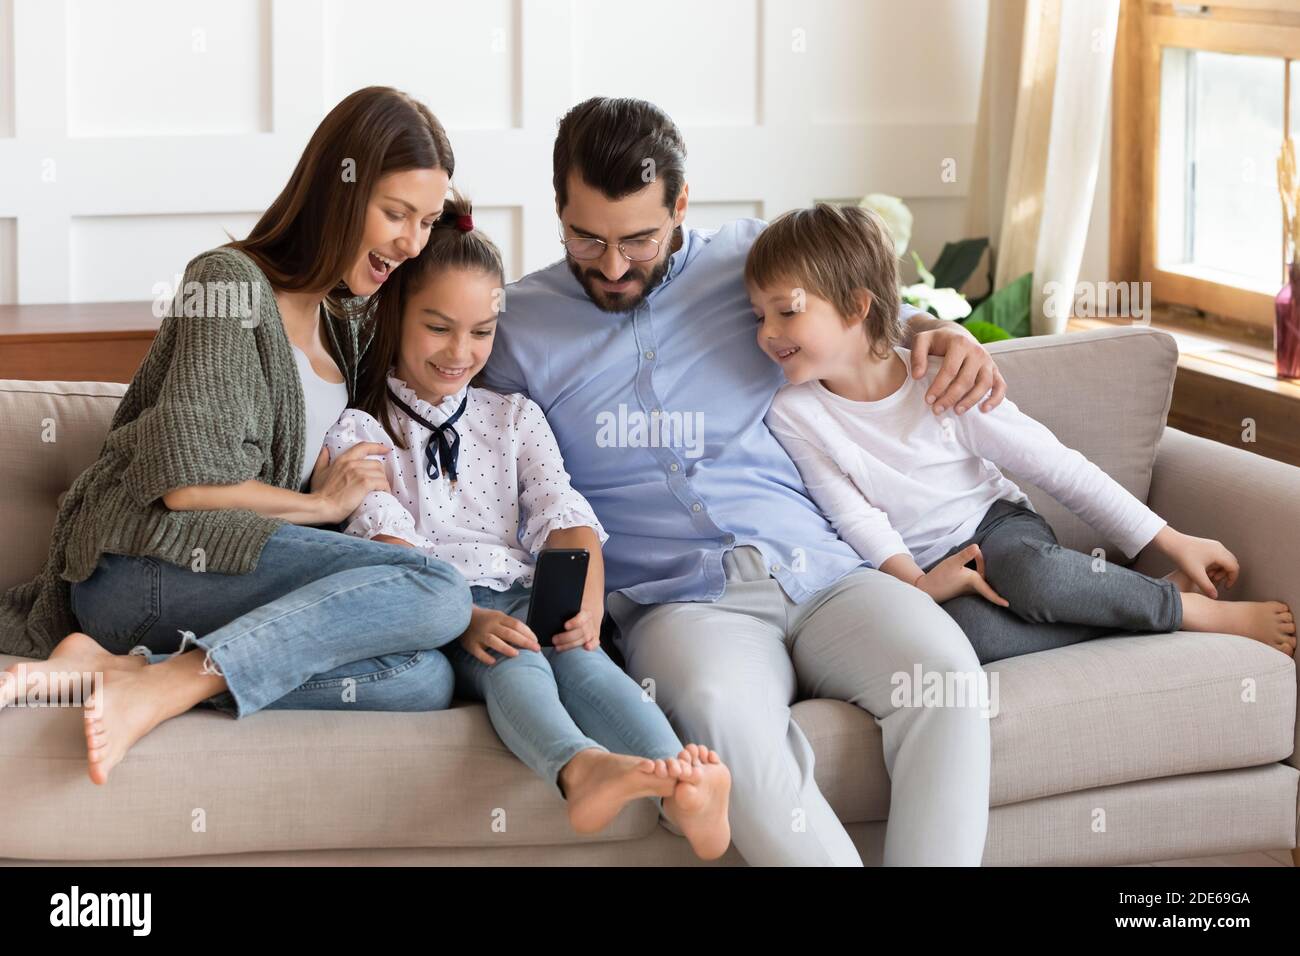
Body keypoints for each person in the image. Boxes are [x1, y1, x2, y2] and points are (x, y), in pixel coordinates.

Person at [480, 96, 1009, 866]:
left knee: (947, 679)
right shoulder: (516, 325)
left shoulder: (751, 262)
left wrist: (939, 331)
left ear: (681, 205)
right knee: (721, 715)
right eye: (586, 238)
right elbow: (456, 442)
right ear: (557, 207)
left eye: (639, 239)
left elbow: (857, 325)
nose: (614, 266)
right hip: (677, 602)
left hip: (823, 569)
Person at [0, 87, 471, 786]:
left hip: (216, 585)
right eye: (396, 214)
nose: (411, 242)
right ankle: (163, 683)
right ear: (338, 191)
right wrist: (319, 505)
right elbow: (188, 488)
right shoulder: (227, 284)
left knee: (421, 678)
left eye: (426, 221)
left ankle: (130, 672)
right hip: (144, 566)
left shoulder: (343, 322)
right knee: (439, 590)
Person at [318, 191, 731, 857]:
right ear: (394, 314)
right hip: (443, 611)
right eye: (438, 327)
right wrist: (465, 618)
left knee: (587, 663)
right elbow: (390, 547)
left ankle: (682, 785)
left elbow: (561, 509)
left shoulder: (512, 415)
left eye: (481, 332)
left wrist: (586, 600)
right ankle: (579, 769)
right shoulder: (360, 431)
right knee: (519, 663)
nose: (460, 352)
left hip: (528, 594)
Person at [750, 202, 1297, 664]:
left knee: (1038, 579)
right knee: (967, 639)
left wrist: (1171, 540)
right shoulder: (792, 412)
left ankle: (1185, 610)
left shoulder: (942, 378)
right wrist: (917, 585)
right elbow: (852, 514)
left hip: (997, 529)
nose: (767, 333)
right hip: (925, 565)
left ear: (856, 306)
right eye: (758, 316)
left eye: (786, 312)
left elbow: (1053, 465)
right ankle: (1137, 600)